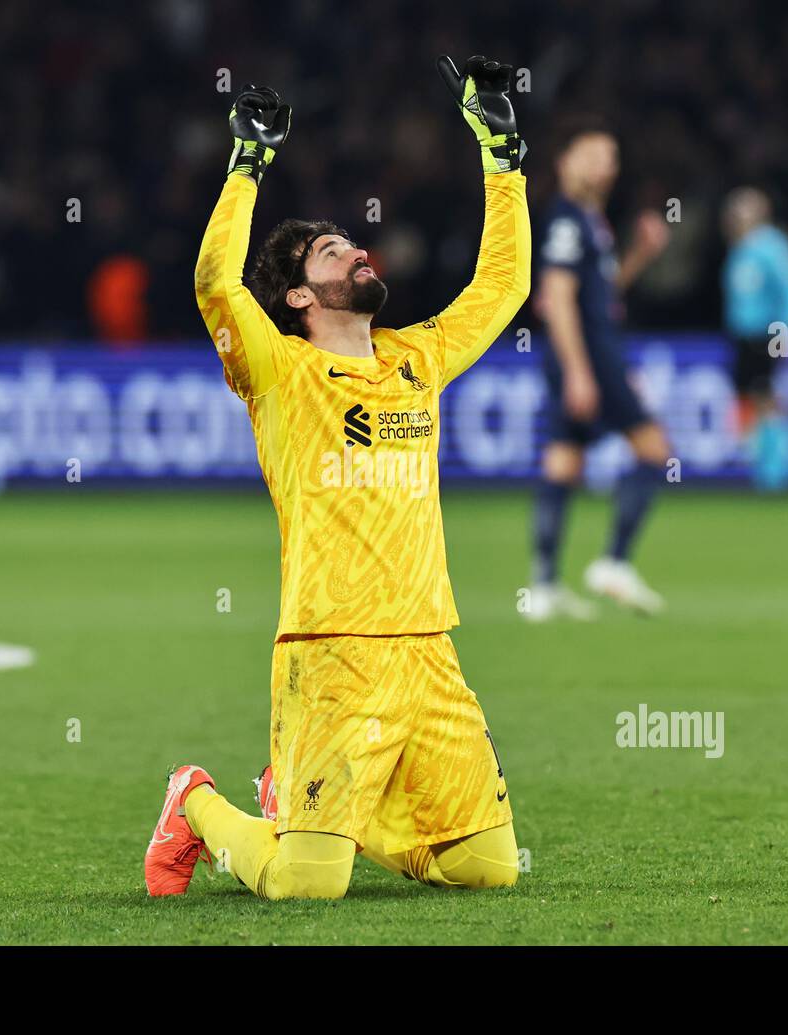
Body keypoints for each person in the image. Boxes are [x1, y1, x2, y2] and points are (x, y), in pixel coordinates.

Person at [145, 56, 528, 900]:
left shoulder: (414, 359)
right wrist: (247, 165)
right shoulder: (278, 374)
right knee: (304, 885)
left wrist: (501, 154)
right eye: (332, 250)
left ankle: (332, 811)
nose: (358, 250)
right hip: (330, 654)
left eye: (353, 243)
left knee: (490, 870)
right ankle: (196, 801)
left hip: (429, 647)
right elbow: (215, 281)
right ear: (296, 298)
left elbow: (504, 285)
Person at [528, 123, 671, 621]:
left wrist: (639, 255)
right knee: (654, 451)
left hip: (584, 354)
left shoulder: (591, 220)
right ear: (565, 161)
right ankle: (614, 562)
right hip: (590, 356)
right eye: (591, 154)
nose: (603, 165)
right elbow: (559, 299)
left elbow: (601, 293)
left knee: (563, 464)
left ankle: (543, 588)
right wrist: (579, 372)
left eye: (610, 156)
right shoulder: (568, 220)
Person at [721, 187, 788, 491]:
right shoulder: (740, 248)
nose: (735, 218)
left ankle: (777, 470)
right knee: (754, 398)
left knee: (766, 396)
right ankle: (763, 466)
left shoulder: (773, 246)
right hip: (743, 335)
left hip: (767, 334)